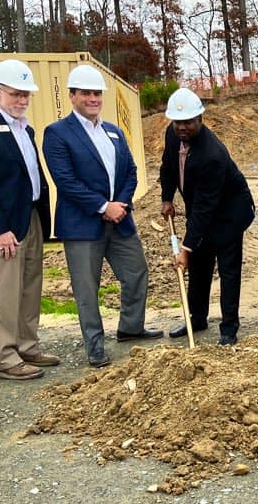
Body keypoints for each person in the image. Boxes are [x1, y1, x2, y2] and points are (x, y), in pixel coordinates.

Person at [43, 65, 161, 368]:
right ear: (72, 96)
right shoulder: (57, 134)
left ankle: (130, 328)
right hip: (82, 226)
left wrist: (120, 204)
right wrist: (101, 206)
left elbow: (131, 172)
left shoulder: (114, 131)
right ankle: (94, 346)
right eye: (86, 93)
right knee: (87, 288)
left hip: (120, 221)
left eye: (97, 93)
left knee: (136, 273)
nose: (93, 98)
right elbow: (65, 181)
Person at [0, 59, 57, 380]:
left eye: (26, 95)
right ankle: (4, 357)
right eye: (16, 94)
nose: (22, 100)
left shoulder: (25, 129)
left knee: (30, 286)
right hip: (4, 225)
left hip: (31, 217)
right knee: (4, 291)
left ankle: (27, 346)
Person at [160, 88, 255, 346]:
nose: (182, 127)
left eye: (188, 122)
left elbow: (205, 207)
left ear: (200, 119)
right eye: (178, 122)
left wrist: (185, 248)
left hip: (229, 214)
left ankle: (228, 329)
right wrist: (167, 198)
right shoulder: (172, 135)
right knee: (200, 269)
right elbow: (167, 165)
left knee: (228, 270)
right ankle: (197, 318)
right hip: (203, 209)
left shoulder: (211, 154)